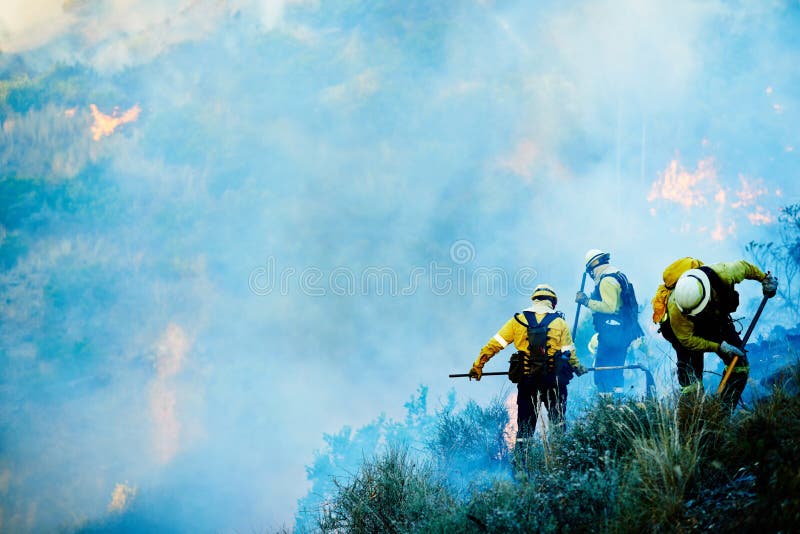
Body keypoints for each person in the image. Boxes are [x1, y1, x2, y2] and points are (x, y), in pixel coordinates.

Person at [469, 284, 587, 440]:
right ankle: (560, 458)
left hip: (527, 380)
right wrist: (578, 368)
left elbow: (494, 345)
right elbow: (569, 353)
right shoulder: (560, 323)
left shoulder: (517, 321)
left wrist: (478, 366)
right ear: (552, 301)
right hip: (553, 381)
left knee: (525, 427)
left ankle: (522, 461)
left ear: (534, 300)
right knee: (558, 425)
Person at [658, 260, 778, 409]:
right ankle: (693, 417)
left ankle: (722, 411)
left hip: (716, 319)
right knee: (690, 380)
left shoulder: (723, 273)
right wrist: (718, 347)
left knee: (738, 363)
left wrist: (765, 279)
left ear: (707, 295)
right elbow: (687, 340)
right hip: (686, 333)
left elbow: (746, 268)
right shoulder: (676, 309)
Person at [575, 249, 643, 397]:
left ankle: (605, 406)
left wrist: (586, 301)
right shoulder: (618, 275)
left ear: (593, 267)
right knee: (617, 368)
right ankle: (619, 402)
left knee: (602, 369)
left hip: (611, 332)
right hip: (623, 332)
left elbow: (610, 307)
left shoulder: (606, 281)